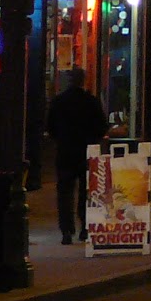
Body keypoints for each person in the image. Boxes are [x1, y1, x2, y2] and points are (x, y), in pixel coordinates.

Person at [45, 67, 107, 245]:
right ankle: (85, 227)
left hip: (65, 151)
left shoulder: (59, 101)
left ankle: (66, 230)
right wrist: (93, 139)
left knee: (64, 192)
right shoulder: (91, 101)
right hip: (85, 152)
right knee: (86, 191)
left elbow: (50, 127)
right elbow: (101, 126)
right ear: (83, 81)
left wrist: (61, 139)